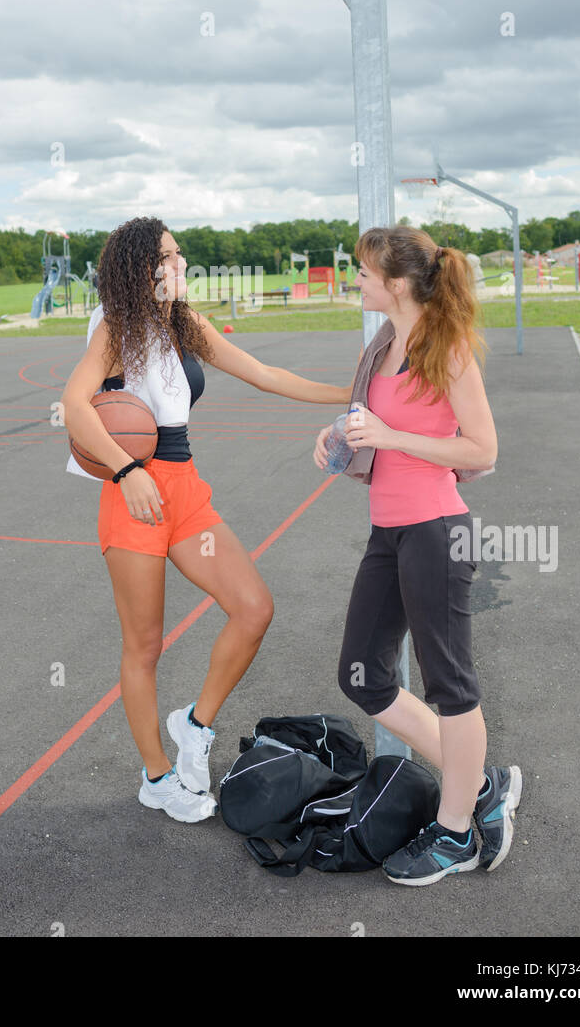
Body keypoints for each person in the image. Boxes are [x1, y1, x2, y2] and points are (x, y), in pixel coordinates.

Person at [62, 216, 353, 823]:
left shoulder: (182, 322)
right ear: (140, 269)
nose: (180, 266)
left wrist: (357, 394)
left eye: (180, 256)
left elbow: (266, 375)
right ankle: (158, 778)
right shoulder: (116, 327)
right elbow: (74, 407)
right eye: (168, 259)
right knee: (143, 646)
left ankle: (193, 726)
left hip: (184, 490)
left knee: (253, 608)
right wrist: (125, 471)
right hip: (133, 492)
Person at [316, 226, 522, 885]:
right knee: (361, 675)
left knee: (450, 690)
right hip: (388, 531)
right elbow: (367, 424)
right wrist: (335, 437)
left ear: (396, 282)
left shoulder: (446, 346)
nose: (356, 281)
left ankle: (456, 832)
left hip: (435, 531)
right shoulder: (381, 345)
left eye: (363, 272)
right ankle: (476, 784)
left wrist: (391, 435)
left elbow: (481, 451)